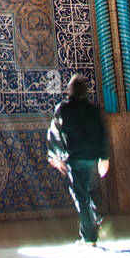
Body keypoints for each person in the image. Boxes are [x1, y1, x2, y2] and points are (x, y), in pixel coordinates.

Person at [47, 74, 109, 245]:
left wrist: (55, 155)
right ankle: (93, 223)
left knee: (81, 195)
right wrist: (104, 158)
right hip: (91, 158)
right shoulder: (94, 109)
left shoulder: (64, 109)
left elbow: (55, 132)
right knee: (86, 193)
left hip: (74, 158)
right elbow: (102, 134)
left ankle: (89, 235)